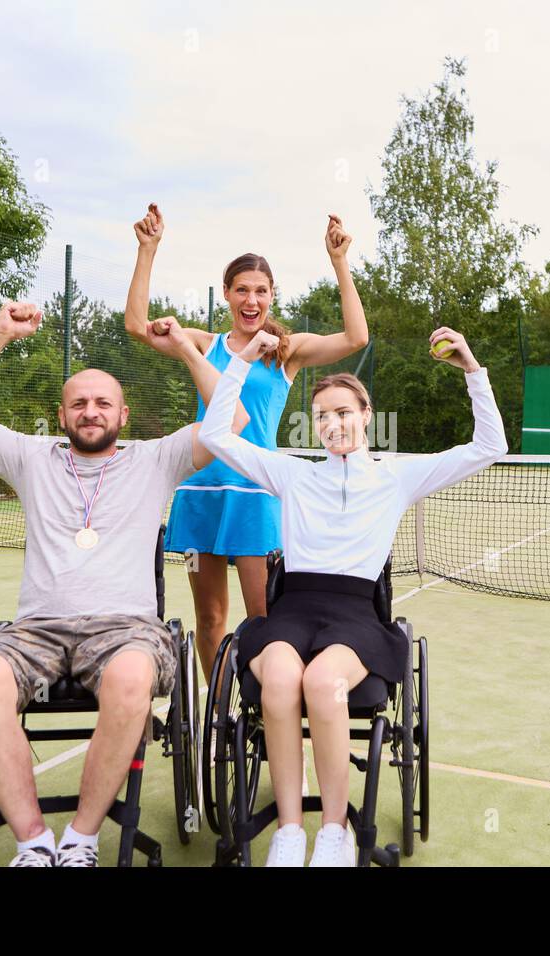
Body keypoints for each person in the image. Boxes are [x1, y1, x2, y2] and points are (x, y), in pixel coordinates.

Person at [0, 301, 248, 867]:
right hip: (36, 630)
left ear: (123, 415)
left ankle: (80, 838)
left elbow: (234, 421)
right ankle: (32, 843)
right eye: (79, 402)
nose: (91, 411)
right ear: (62, 415)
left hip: (126, 630)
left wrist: (184, 349)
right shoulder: (31, 459)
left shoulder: (156, 460)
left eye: (103, 403)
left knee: (130, 679)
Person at [198, 325, 508, 866]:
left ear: (365, 415)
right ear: (313, 425)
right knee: (277, 678)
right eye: (322, 415)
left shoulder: (396, 477)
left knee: (322, 682)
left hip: (356, 614)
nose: (333, 423)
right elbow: (216, 438)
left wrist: (472, 369)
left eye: (344, 412)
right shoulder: (293, 476)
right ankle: (291, 832)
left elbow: (490, 446)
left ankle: (335, 832)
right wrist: (242, 360)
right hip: (293, 608)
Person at [124, 204, 370, 684]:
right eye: (242, 290)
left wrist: (340, 262)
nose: (251, 299)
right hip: (200, 497)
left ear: (272, 296)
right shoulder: (202, 343)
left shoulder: (285, 351)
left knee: (263, 619)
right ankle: (219, 710)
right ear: (227, 295)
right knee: (211, 619)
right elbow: (136, 325)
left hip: (256, 496)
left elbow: (356, 336)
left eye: (261, 291)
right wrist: (147, 249)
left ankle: (260, 706)